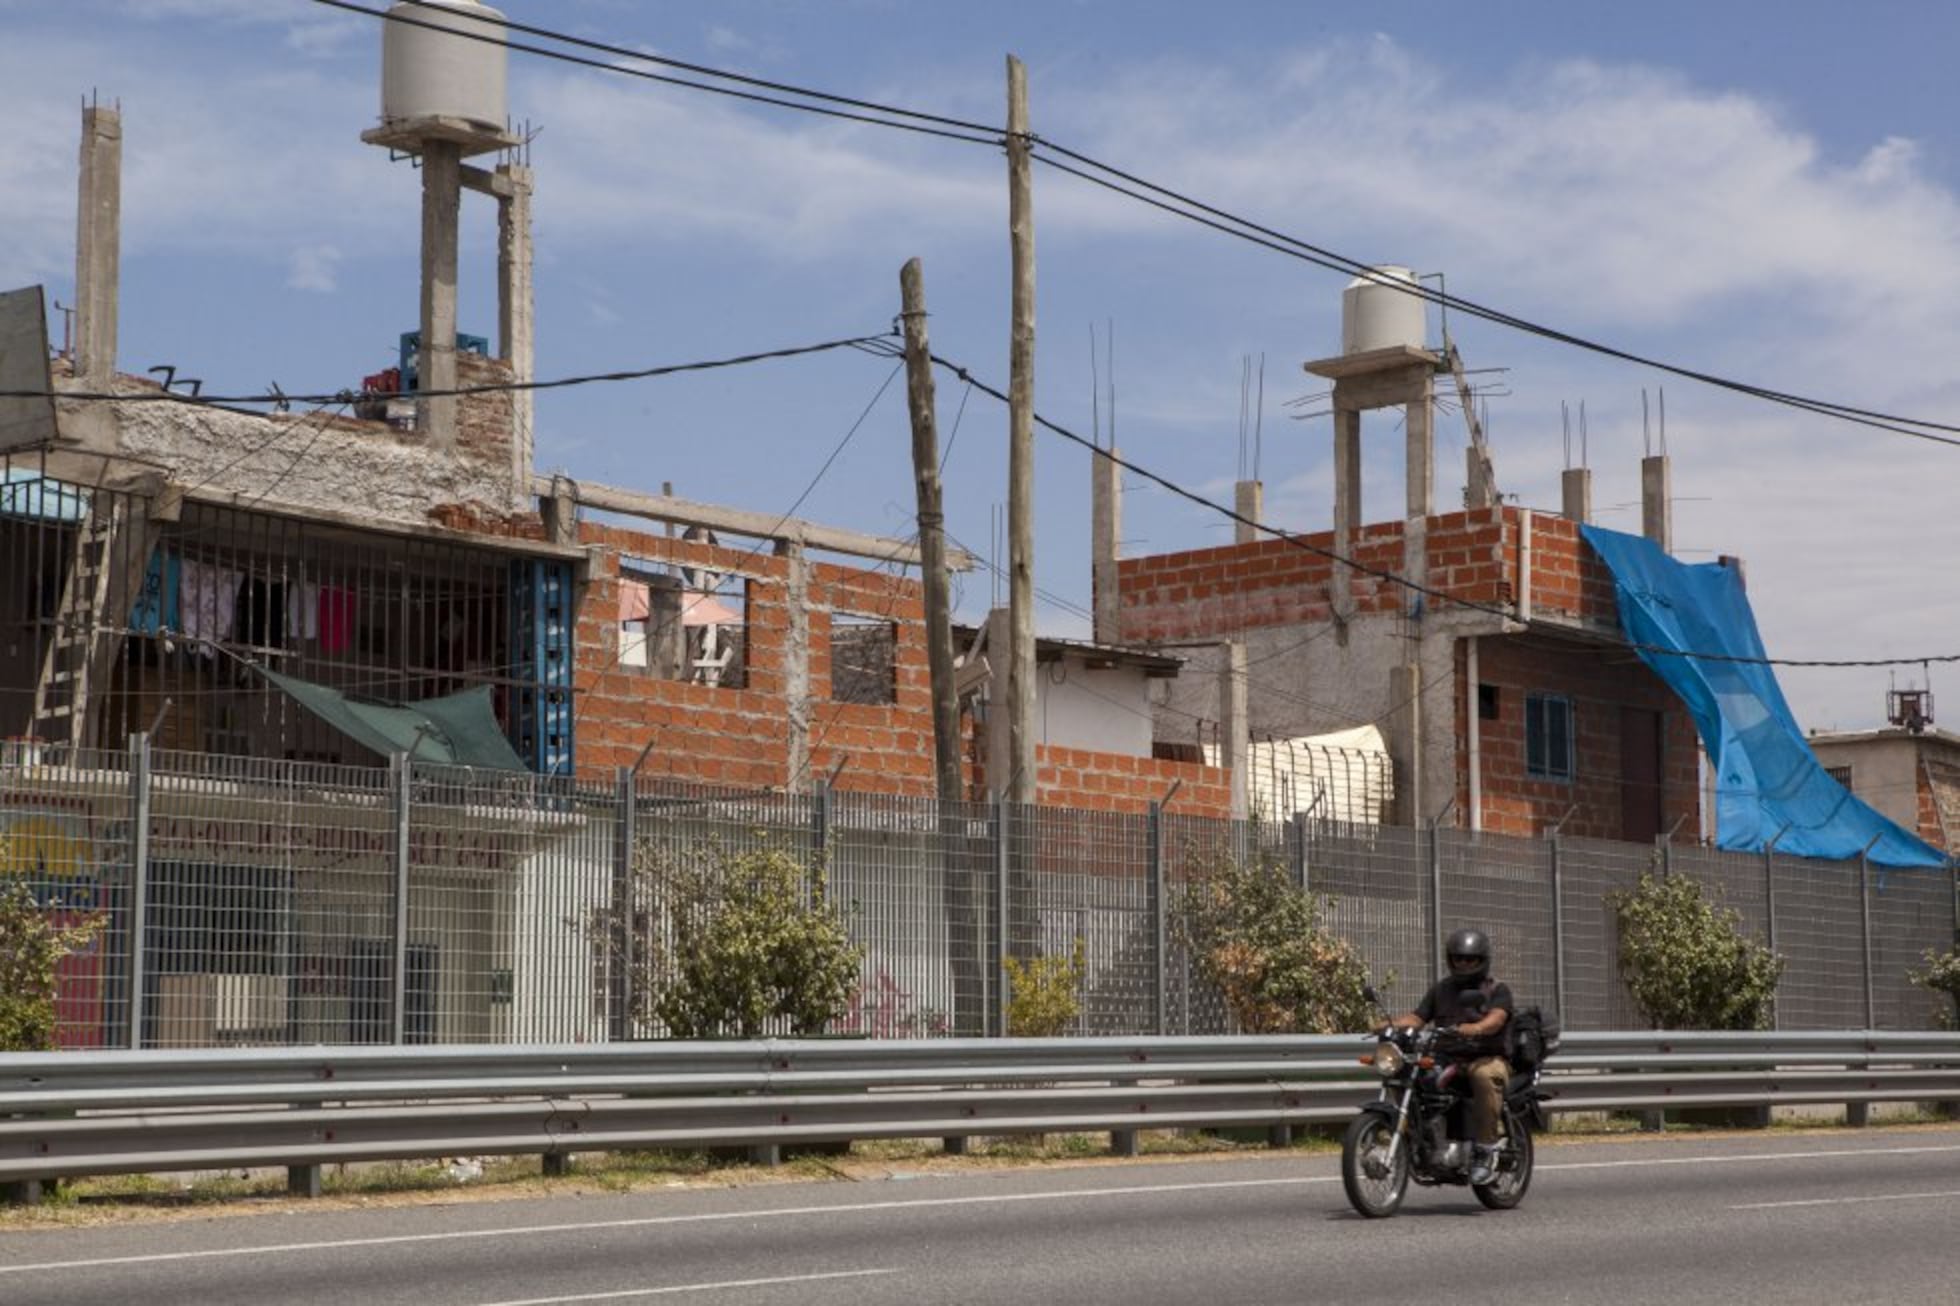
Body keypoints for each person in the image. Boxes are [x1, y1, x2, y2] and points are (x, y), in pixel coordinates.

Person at [1390, 927, 1514, 1185]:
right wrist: (1390, 1024)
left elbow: (1497, 1018)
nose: (1463, 964)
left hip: (1487, 1056)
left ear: (1482, 961)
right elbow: (1418, 1017)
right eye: (1458, 958)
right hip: (1448, 1059)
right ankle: (1425, 1141)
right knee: (1413, 1074)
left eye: (1470, 959)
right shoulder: (1441, 989)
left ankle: (1485, 1150)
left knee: (1483, 1076)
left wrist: (1477, 1028)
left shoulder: (1497, 989)